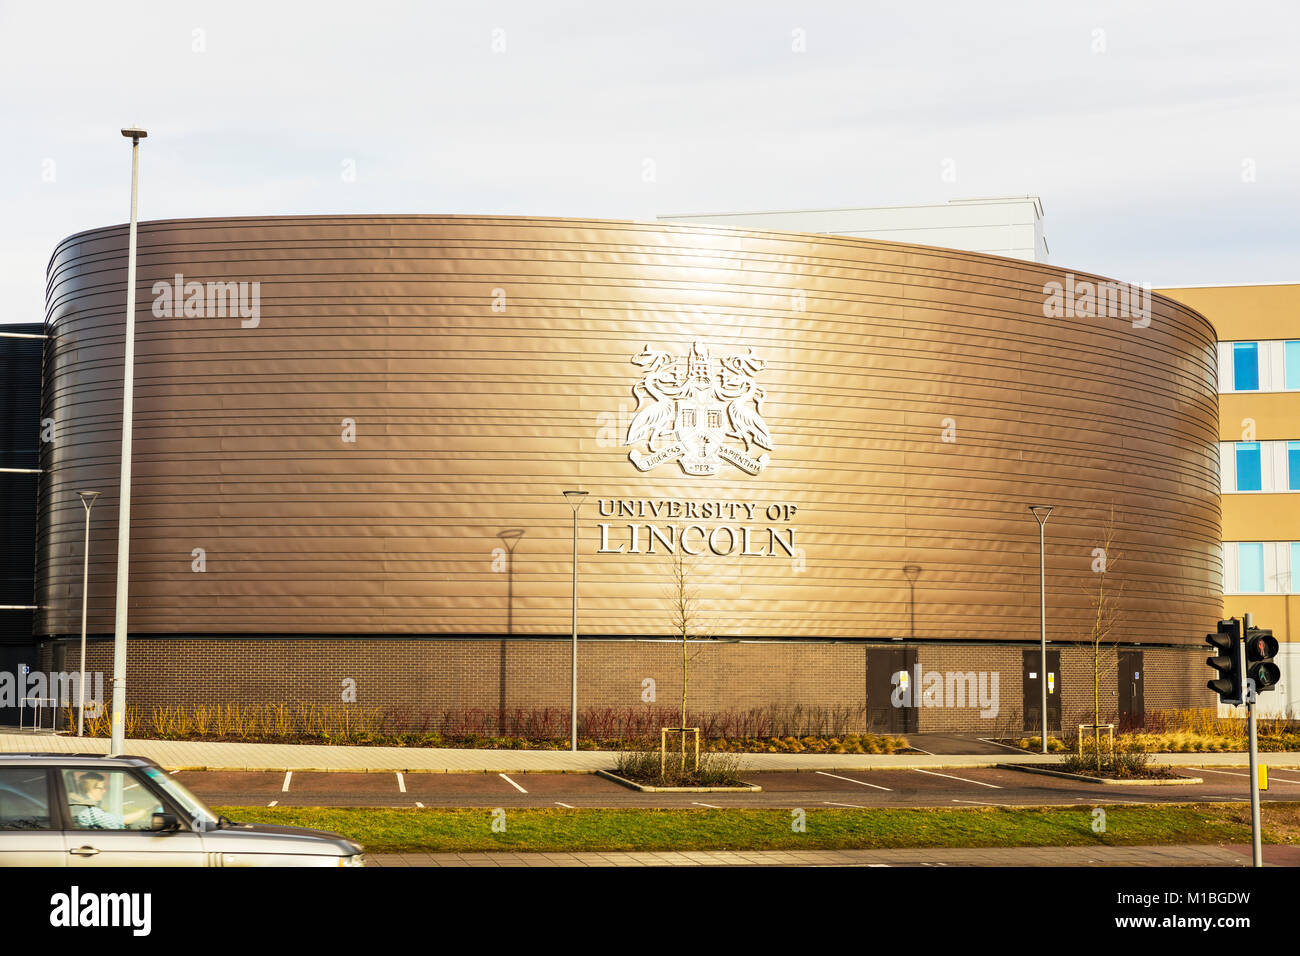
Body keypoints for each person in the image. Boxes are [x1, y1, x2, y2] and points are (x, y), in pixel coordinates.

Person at [68, 772, 152, 830]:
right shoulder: (88, 811)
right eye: (101, 788)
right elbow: (123, 821)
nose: (104, 791)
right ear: (91, 789)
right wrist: (145, 811)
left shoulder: (82, 805)